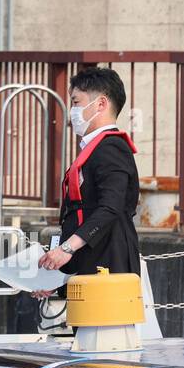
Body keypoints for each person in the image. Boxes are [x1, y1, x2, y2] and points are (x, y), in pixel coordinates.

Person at [35, 67, 141, 285]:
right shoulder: (95, 148)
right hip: (89, 264)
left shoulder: (111, 148)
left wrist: (66, 248)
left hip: (109, 265)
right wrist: (56, 271)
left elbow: (110, 207)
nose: (72, 111)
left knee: (105, 320)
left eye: (76, 102)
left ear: (101, 103)